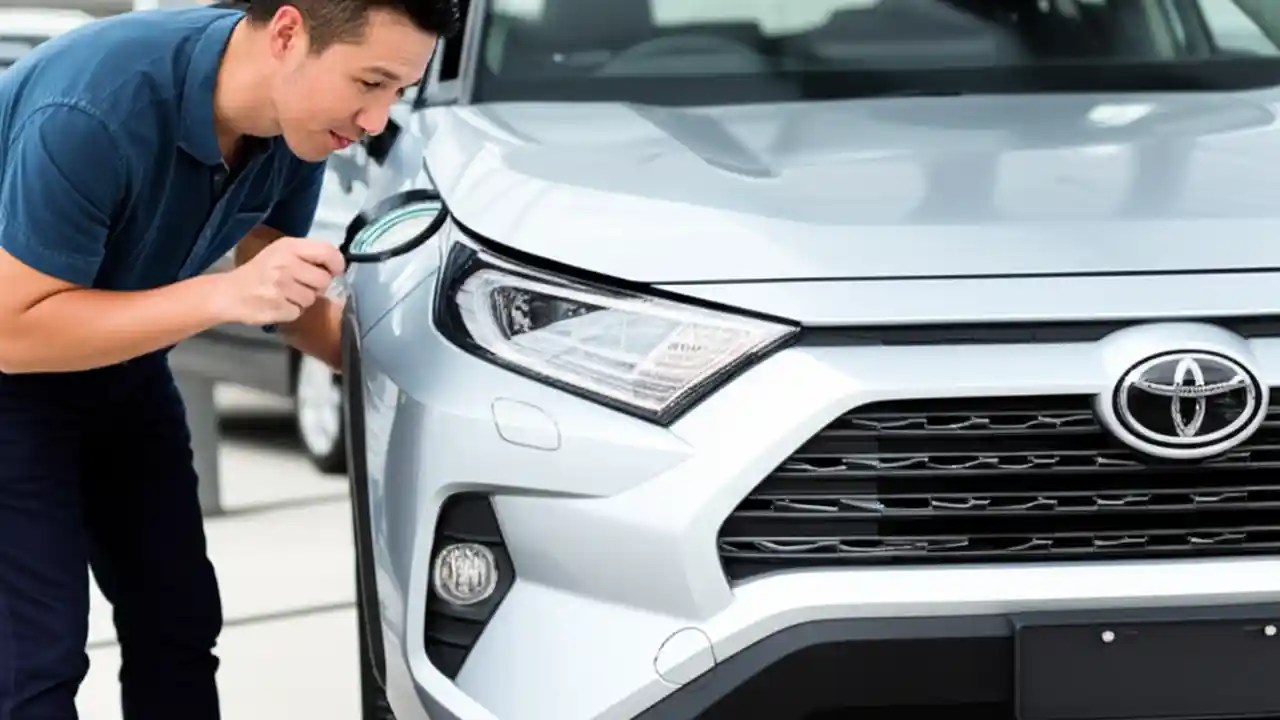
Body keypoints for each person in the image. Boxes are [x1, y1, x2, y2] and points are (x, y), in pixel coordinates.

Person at [0, 0, 455, 717]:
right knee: (35, 659)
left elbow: (286, 297)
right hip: (12, 378)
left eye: (398, 91)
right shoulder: (92, 112)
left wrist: (438, 384)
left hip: (125, 367)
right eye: (369, 82)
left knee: (177, 623)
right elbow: (13, 333)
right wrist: (220, 297)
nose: (376, 121)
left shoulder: (297, 126)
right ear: (286, 33)